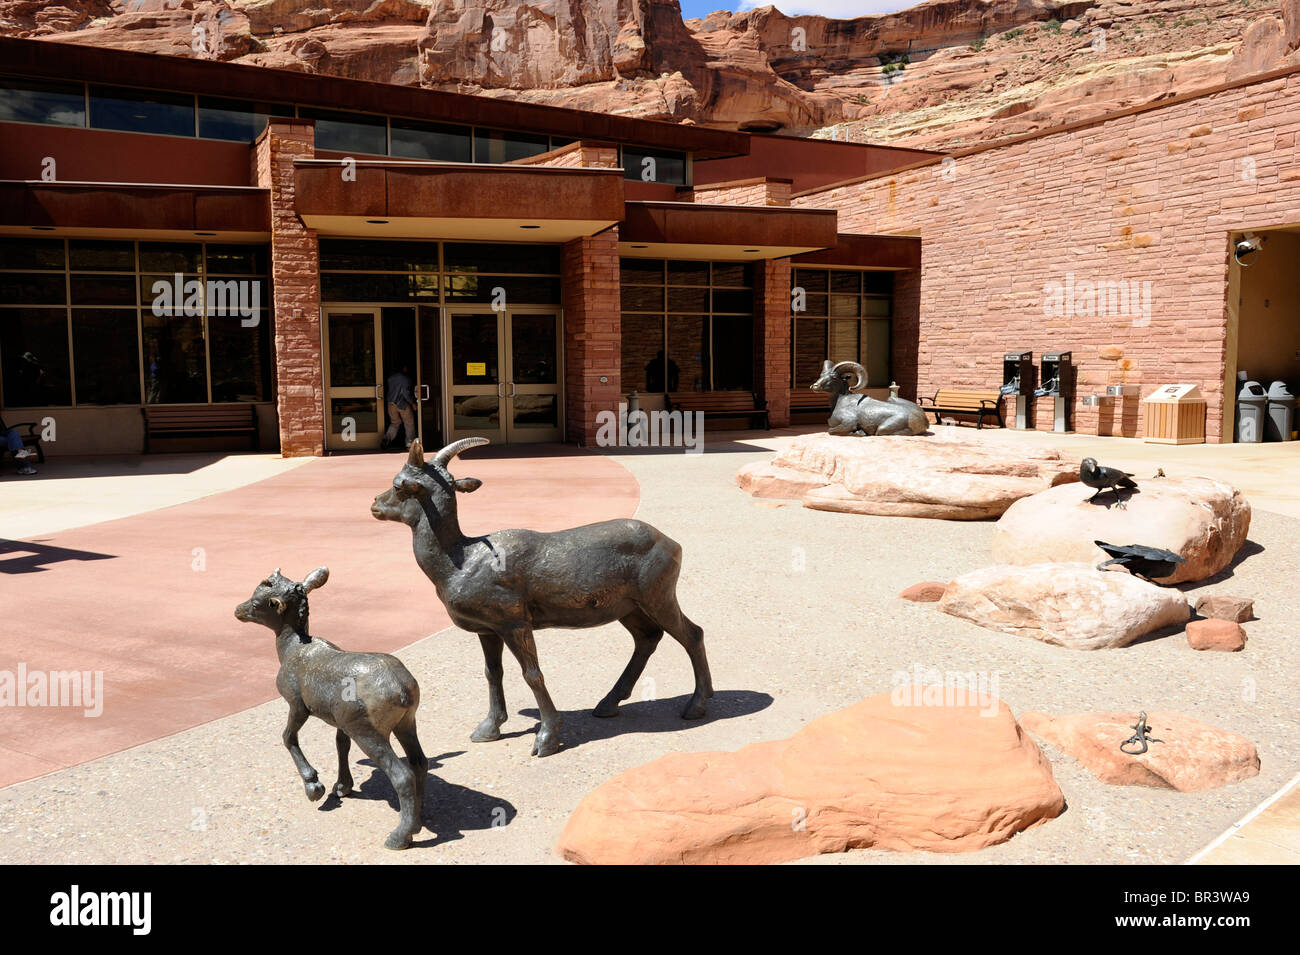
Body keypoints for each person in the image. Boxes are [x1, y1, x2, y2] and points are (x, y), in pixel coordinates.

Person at [382, 364, 416, 450]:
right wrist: (413, 403)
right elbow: (406, 393)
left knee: (395, 423)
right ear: (404, 369)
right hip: (402, 404)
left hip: (390, 403)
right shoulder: (406, 379)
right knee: (409, 423)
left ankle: (387, 438)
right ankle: (409, 444)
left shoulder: (390, 379)